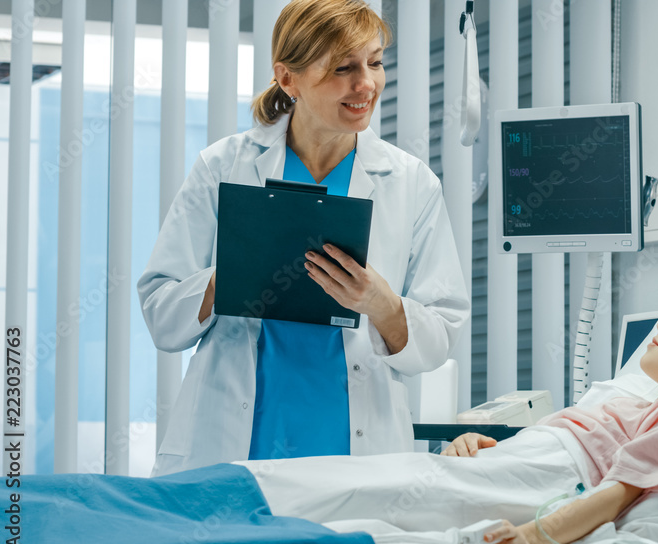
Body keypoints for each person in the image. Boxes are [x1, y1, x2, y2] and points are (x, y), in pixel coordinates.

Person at [138, 0, 469, 476]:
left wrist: (380, 301)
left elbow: (439, 336)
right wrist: (229, 275)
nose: (366, 84)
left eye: (374, 62)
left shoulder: (411, 182)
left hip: (353, 449)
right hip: (235, 446)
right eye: (344, 67)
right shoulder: (222, 166)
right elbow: (161, 313)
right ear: (287, 78)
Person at [240, 286, 658, 544]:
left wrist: (535, 535)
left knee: (387, 487)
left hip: (555, 474)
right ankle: (242, 506)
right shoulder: (640, 400)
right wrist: (481, 445)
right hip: (525, 462)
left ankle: (238, 512)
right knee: (392, 480)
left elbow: (619, 492)